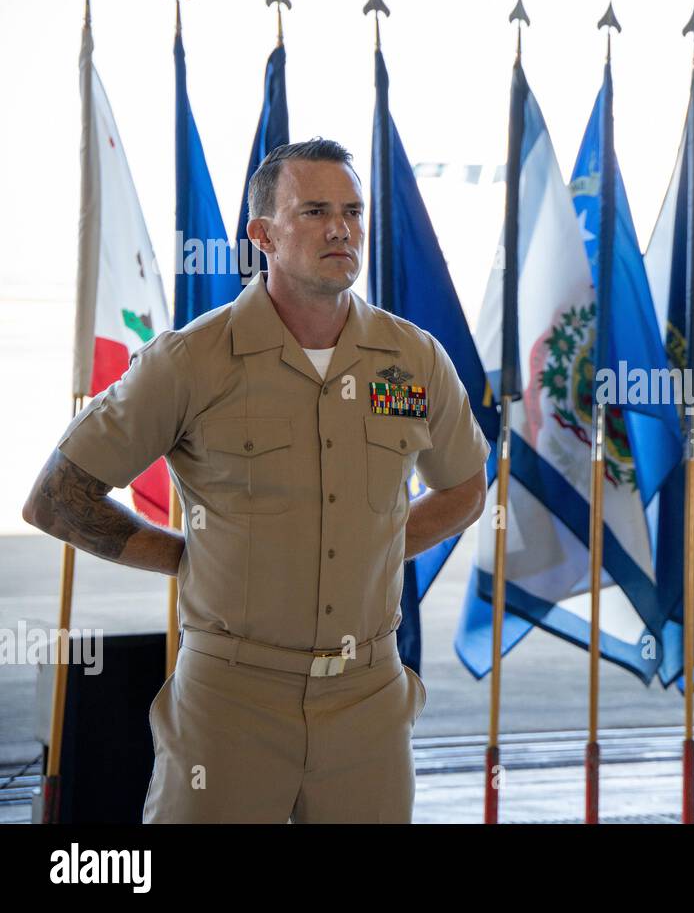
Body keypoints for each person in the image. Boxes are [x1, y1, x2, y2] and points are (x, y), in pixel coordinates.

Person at [23, 138, 490, 823]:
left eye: (353, 211)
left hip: (368, 703)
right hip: (232, 703)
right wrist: (186, 558)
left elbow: (465, 488)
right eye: (315, 211)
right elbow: (59, 498)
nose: (341, 228)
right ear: (262, 234)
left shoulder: (413, 359)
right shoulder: (191, 362)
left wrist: (377, 544)